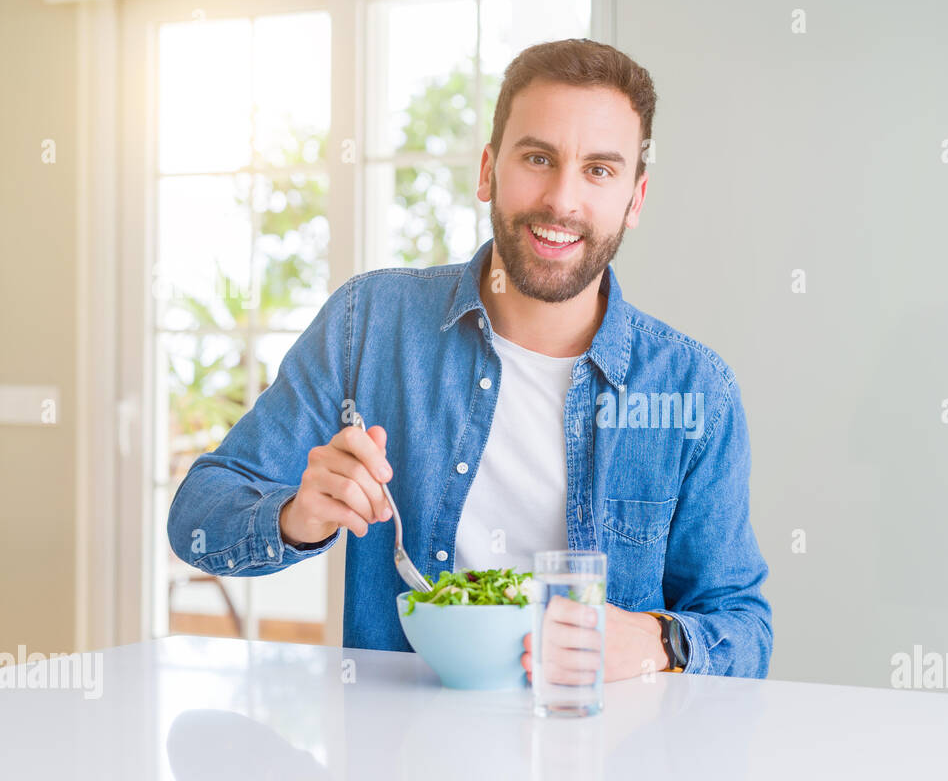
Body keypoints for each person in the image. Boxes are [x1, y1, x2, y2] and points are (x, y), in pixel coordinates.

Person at [168, 38, 771, 681]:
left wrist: (656, 642)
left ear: (635, 199)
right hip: (398, 761)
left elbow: (744, 626)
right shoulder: (367, 325)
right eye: (538, 157)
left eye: (599, 170)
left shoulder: (694, 390)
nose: (563, 201)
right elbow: (197, 516)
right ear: (488, 170)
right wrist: (298, 516)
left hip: (604, 758)